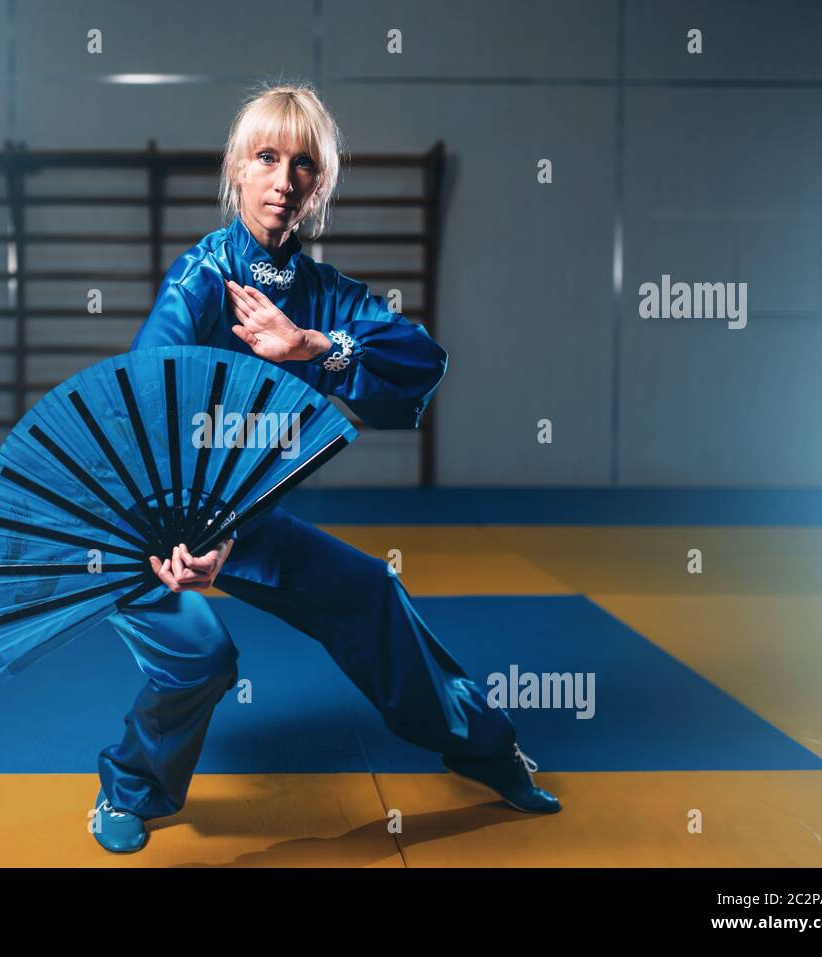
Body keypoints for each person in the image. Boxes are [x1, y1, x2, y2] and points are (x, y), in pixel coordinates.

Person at [91, 82, 560, 853]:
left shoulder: (321, 297)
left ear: (320, 186)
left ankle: (487, 748)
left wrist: (313, 346)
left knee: (371, 592)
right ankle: (129, 788)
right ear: (237, 170)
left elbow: (422, 360)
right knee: (205, 655)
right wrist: (178, 530)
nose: (283, 179)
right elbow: (145, 405)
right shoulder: (200, 281)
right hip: (145, 516)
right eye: (266, 158)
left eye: (302, 164)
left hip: (242, 520)